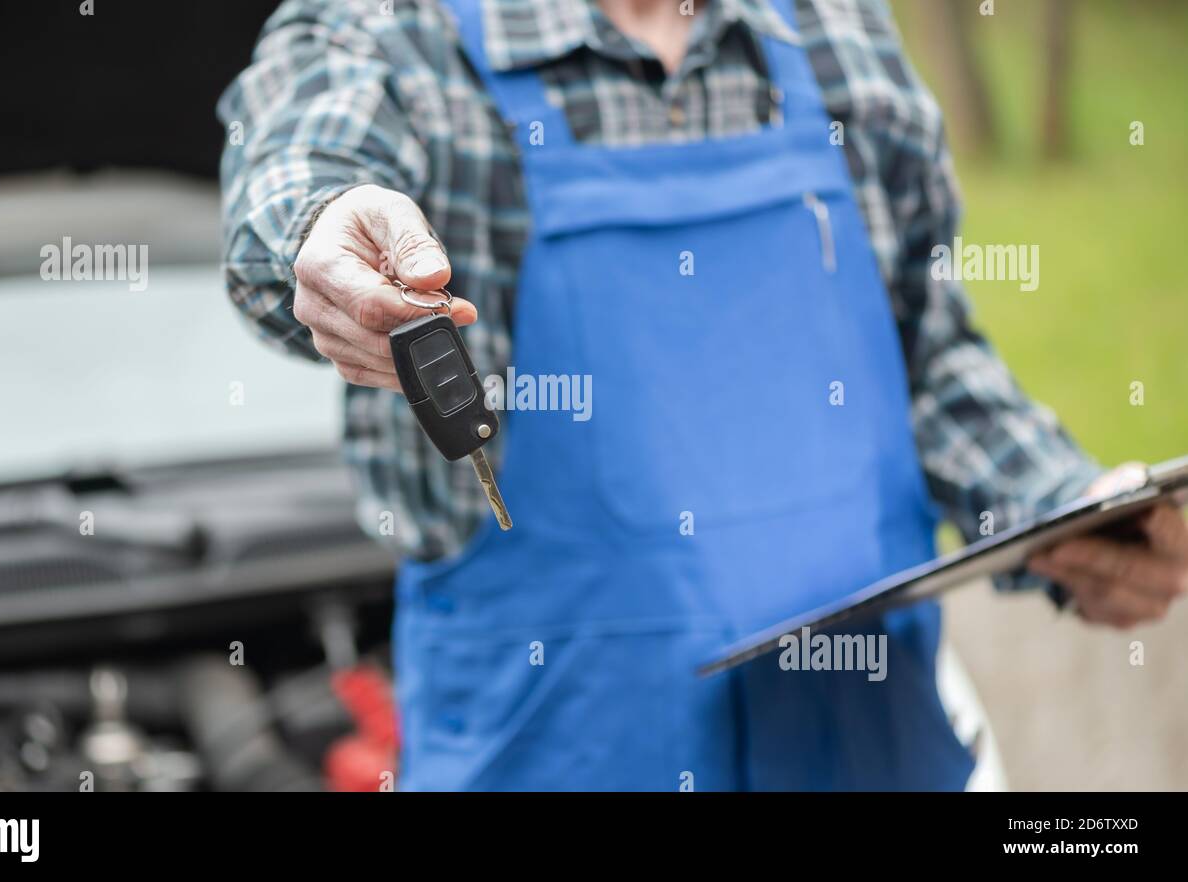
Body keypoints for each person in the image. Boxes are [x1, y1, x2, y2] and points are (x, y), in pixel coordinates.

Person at [219, 0, 1188, 790]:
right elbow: (300, 157)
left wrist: (1066, 513)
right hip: (554, 753)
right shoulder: (395, 33)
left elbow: (928, 359)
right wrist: (324, 227)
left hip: (872, 752)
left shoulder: (835, 34)